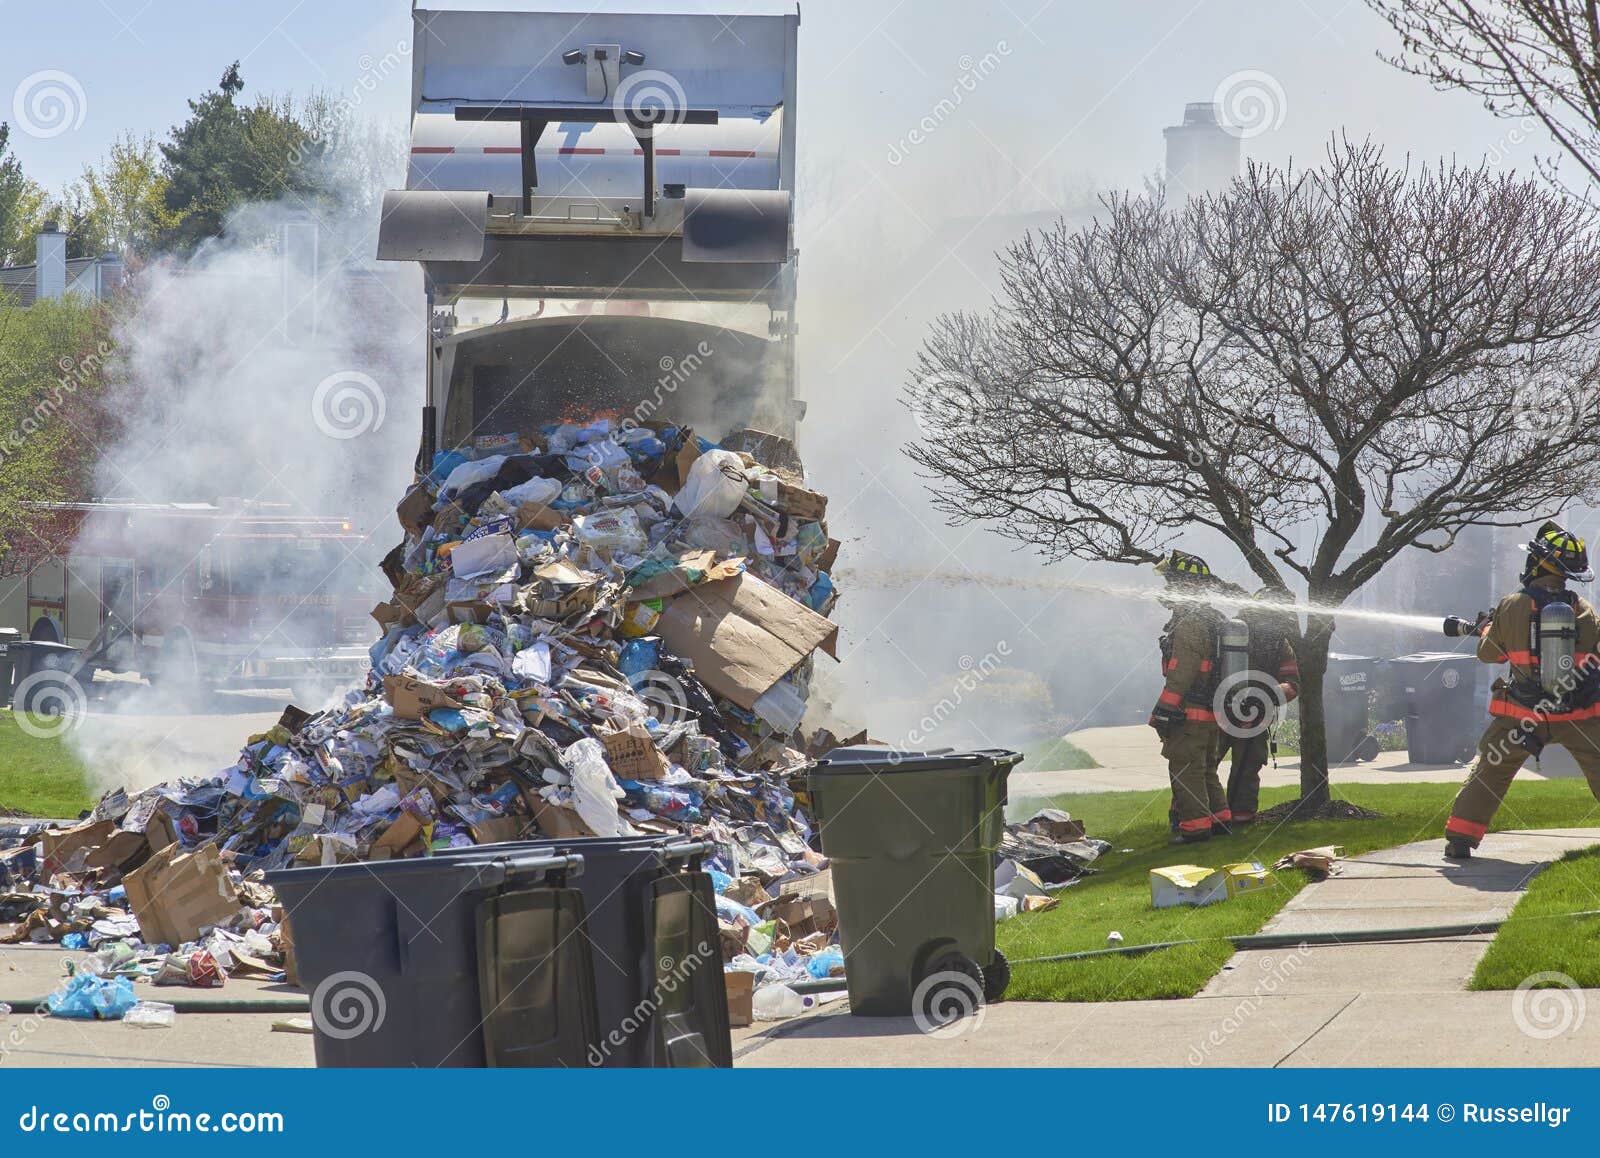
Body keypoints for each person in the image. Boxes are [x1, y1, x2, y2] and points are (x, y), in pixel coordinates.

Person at [1444, 521, 1600, 859]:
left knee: (1492, 770)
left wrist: (1488, 630)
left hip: (1522, 715)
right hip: (1578, 715)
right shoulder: (1584, 611)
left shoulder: (1512, 605)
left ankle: (1461, 839)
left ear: (1538, 563)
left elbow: (1489, 655)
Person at [1149, 551, 1231, 844]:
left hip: (1190, 712)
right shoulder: (1210, 619)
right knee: (1206, 769)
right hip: (1210, 712)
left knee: (1186, 770)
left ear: (1187, 585)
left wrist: (1163, 710)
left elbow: (1181, 672)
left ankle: (1195, 830)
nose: (1167, 588)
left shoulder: (1190, 622)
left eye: (1172, 582)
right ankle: (1220, 821)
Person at [1219, 585, 1301, 825]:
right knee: (1204, 765)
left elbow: (1293, 683)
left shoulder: (1280, 643)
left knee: (1247, 764)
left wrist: (1266, 695)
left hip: (1253, 712)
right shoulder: (1232, 632)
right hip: (1221, 709)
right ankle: (1199, 818)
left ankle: (1239, 817)